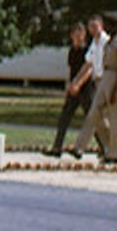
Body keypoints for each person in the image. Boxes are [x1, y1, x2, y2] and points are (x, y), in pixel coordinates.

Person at [68, 13, 117, 163]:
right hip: (104, 79)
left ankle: (114, 153)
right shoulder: (108, 42)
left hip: (115, 78)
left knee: (115, 117)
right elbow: (89, 63)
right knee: (95, 113)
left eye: (107, 24)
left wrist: (116, 88)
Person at [42, 22, 93, 157]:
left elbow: (89, 69)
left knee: (92, 119)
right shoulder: (72, 51)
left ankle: (104, 148)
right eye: (75, 34)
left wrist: (78, 85)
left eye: (80, 34)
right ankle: (57, 147)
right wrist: (69, 86)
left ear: (84, 36)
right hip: (73, 89)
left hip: (86, 89)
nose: (77, 37)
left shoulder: (87, 50)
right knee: (64, 117)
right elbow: (71, 70)